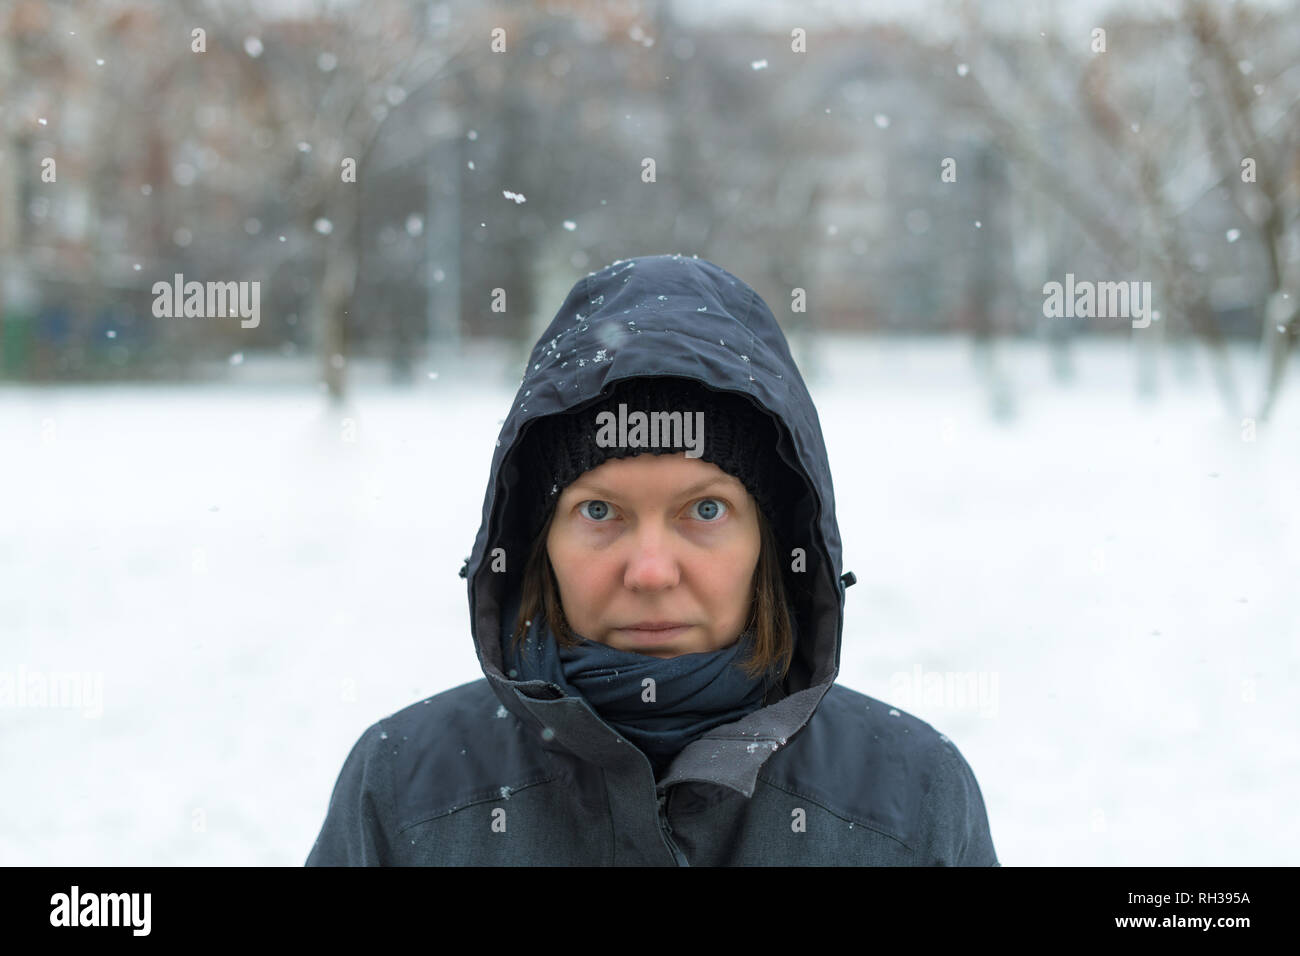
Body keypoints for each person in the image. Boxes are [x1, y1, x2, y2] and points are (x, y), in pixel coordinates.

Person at [305, 253, 999, 866]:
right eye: (600, 512)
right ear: (537, 539)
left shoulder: (912, 798)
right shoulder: (401, 789)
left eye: (704, 511)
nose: (650, 572)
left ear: (773, 540)